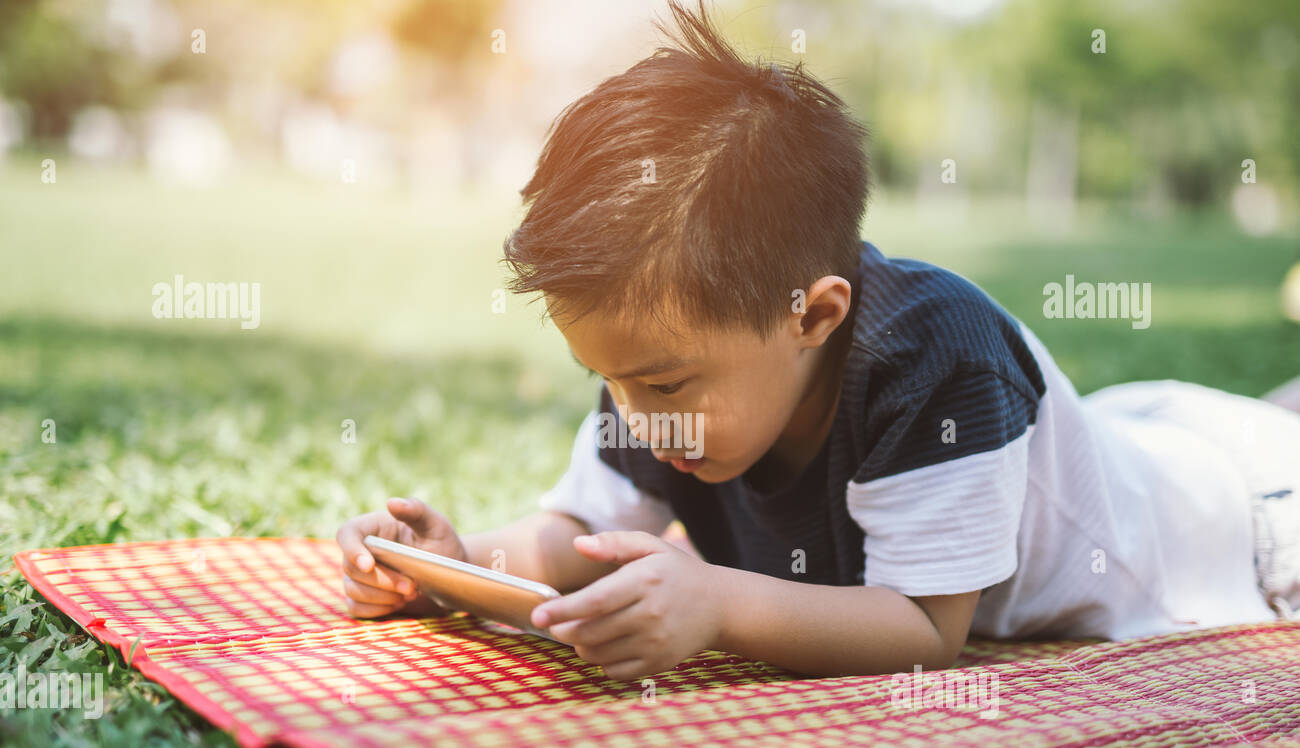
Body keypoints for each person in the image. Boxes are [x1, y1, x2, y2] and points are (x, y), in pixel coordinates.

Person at [337, 1, 1300, 680]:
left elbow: (923, 628)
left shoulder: (939, 361)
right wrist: (460, 564)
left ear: (815, 315)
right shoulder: (654, 377)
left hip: (1243, 525)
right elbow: (572, 536)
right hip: (1124, 442)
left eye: (662, 387)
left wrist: (716, 602)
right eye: (607, 381)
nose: (636, 420)